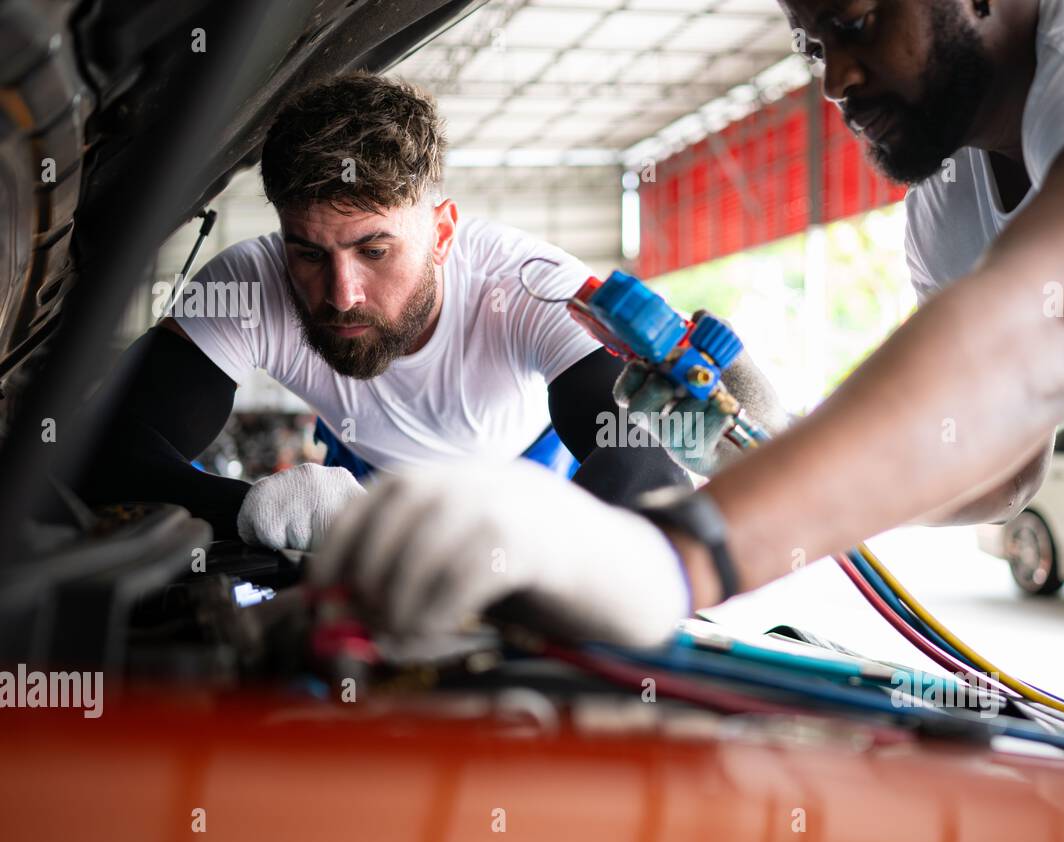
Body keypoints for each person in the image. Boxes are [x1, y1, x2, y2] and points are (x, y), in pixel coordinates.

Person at [313, 1, 1064, 761]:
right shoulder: (951, 208)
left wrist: (676, 557)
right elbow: (999, 464)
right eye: (813, 40)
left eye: (857, 22)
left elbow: (1063, 310)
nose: (836, 78)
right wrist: (776, 435)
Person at [78, 72, 784, 550]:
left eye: (375, 250)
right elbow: (104, 446)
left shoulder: (530, 285)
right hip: (358, 477)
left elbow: (633, 461)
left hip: (530, 468)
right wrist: (247, 509)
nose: (341, 293)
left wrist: (587, 560)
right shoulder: (254, 280)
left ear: (443, 232)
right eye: (309, 254)